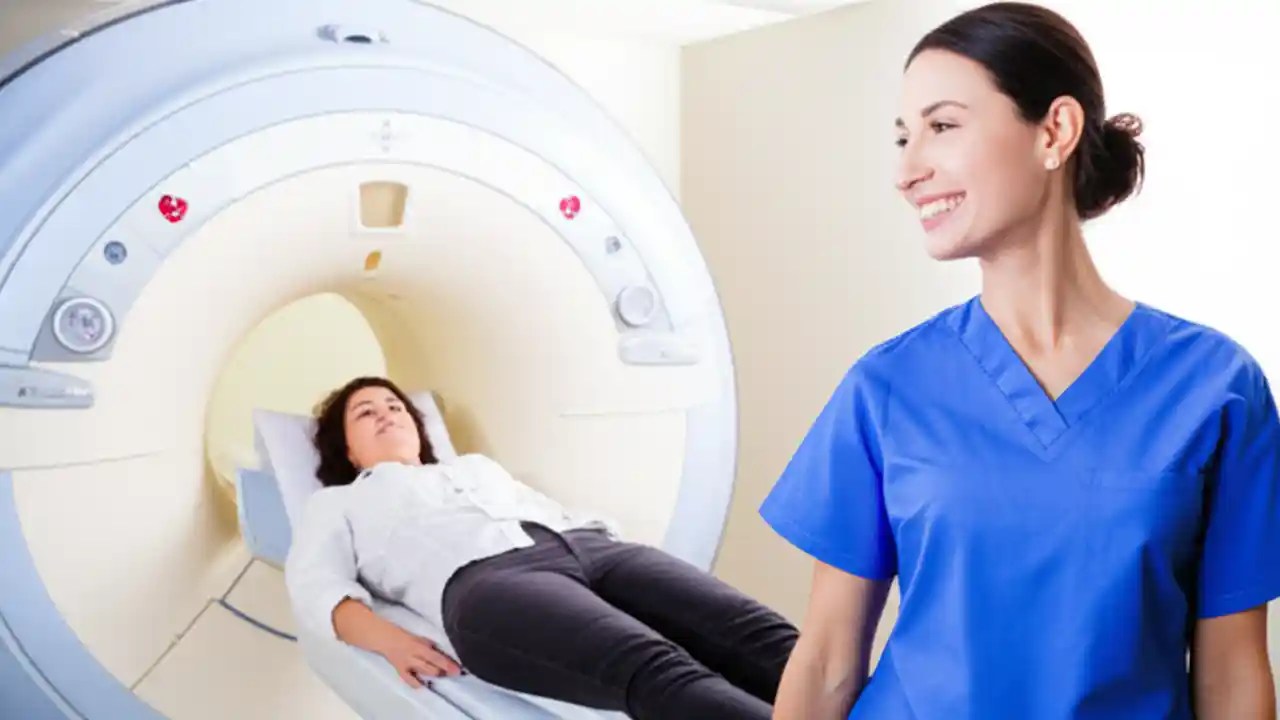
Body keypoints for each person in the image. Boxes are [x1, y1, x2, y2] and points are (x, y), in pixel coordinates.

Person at [761, 3, 1280, 719]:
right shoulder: (886, 387)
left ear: (1055, 131)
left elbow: (1232, 672)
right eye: (903, 137)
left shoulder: (1214, 388)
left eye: (943, 127)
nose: (907, 171)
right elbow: (825, 662)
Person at [284, 376, 798, 720]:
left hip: (591, 548)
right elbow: (316, 586)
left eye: (395, 406)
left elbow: (551, 512)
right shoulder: (339, 503)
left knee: (764, 638)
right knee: (657, 668)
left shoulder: (475, 468)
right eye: (365, 412)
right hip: (492, 584)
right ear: (348, 450)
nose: (386, 414)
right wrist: (390, 641)